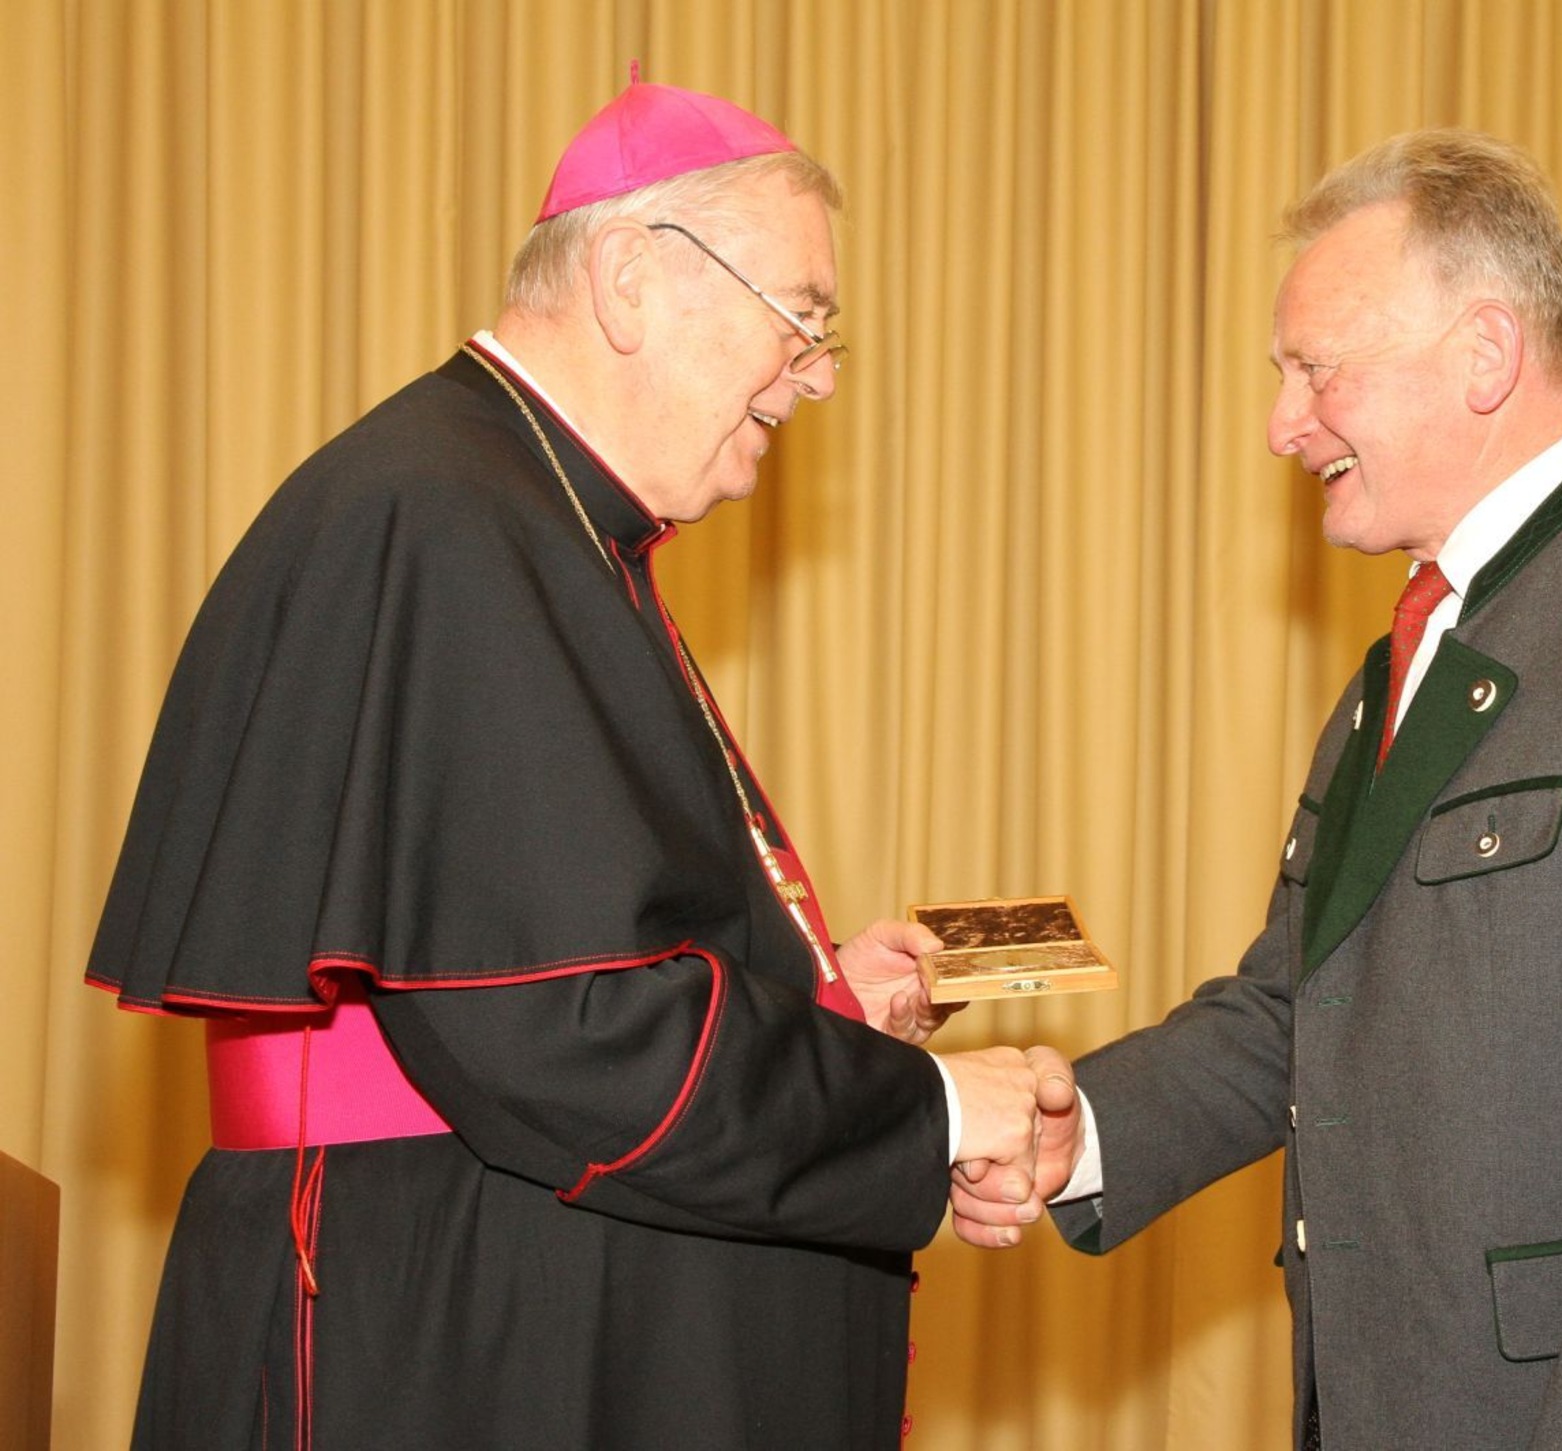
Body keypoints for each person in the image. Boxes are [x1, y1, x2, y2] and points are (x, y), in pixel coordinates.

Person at [88, 77, 1071, 1448]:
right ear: (630, 277)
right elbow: (570, 1027)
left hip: (499, 1272)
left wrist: (821, 999)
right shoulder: (450, 519)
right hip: (445, 1311)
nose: (820, 376)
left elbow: (556, 954)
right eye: (802, 318)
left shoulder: (530, 514)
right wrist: (930, 1107)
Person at [952, 129, 1562, 1449]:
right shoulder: (1411, 658)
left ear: (1485, 357)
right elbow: (1296, 1007)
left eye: (1316, 371)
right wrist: (1086, 1132)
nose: (1283, 425)